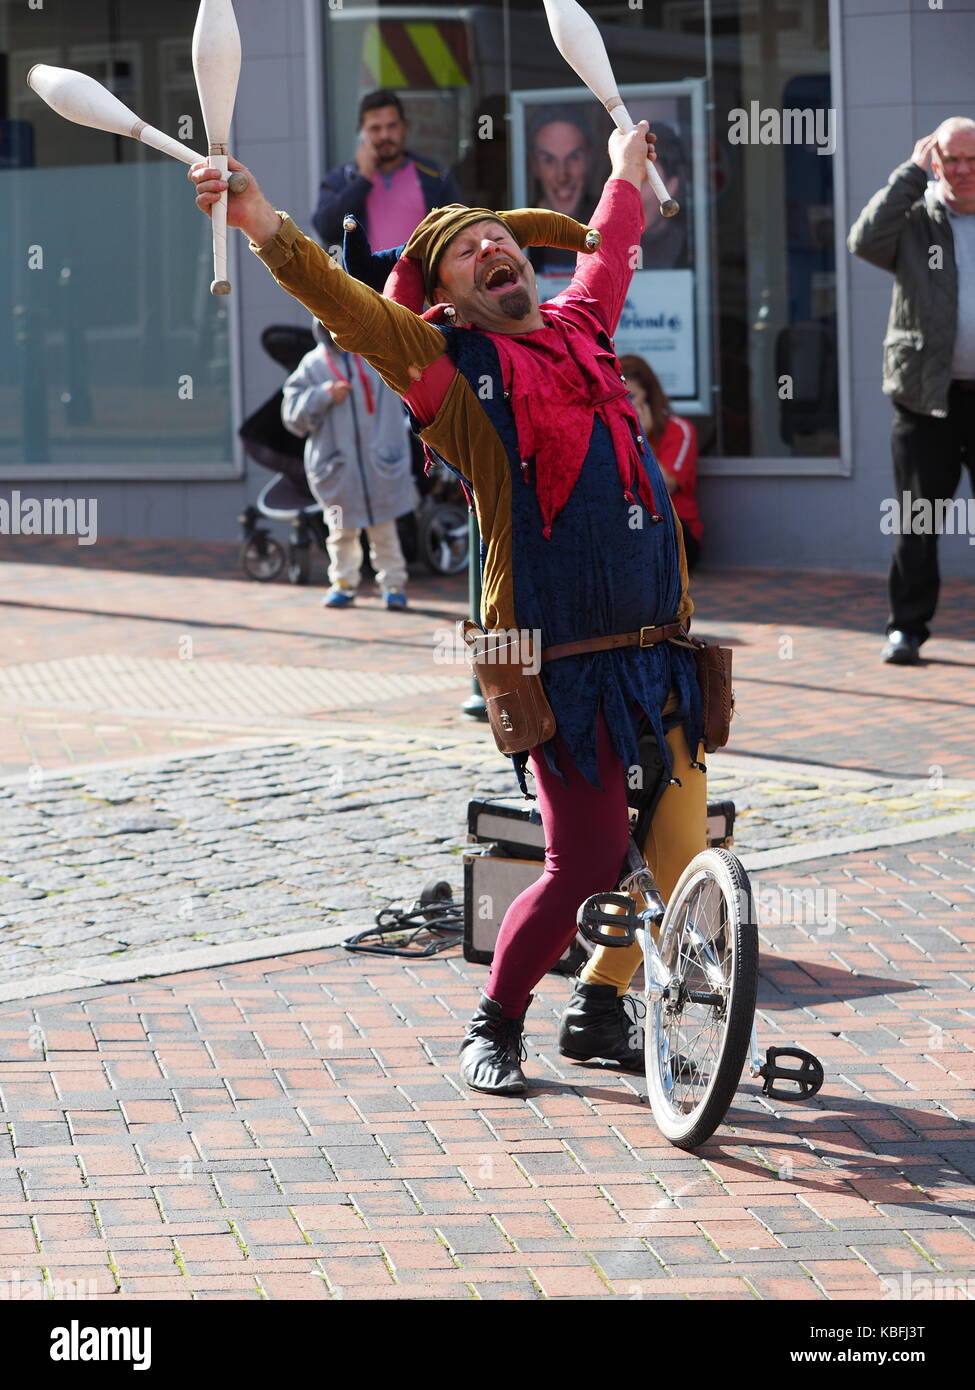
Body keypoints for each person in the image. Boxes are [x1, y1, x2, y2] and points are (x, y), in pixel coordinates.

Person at [189, 119, 707, 1098]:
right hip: (559, 661)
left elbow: (614, 245)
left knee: (683, 845)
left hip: (661, 647)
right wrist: (259, 218)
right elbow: (345, 303)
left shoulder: (582, 328)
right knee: (585, 857)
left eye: (497, 239)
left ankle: (600, 1008)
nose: (491, 250)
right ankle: (496, 1021)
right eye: (465, 252)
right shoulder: (452, 376)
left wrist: (624, 171)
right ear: (448, 295)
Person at [848, 116, 975, 665]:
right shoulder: (916, 216)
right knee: (918, 520)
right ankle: (907, 628)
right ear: (935, 157)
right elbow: (863, 239)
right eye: (953, 159)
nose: (964, 170)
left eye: (974, 160)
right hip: (927, 396)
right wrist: (909, 174)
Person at [281, 322, 416, 610]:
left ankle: (393, 585)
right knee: (341, 532)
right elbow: (291, 416)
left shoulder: (375, 356)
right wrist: (323, 395)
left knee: (384, 530)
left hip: (379, 464)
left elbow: (410, 385)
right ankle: (342, 584)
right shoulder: (313, 365)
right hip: (338, 469)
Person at [312, 89, 460, 251]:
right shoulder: (342, 179)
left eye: (392, 126)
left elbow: (458, 231)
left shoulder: (436, 176)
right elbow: (326, 230)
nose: (385, 135)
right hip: (361, 277)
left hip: (421, 276)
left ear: (405, 128)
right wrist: (363, 178)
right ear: (362, 135)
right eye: (375, 128)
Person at [620, 354, 703, 569]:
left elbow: (666, 485)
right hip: (631, 524)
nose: (626, 405)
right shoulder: (611, 433)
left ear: (648, 396)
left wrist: (642, 440)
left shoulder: (678, 429)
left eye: (631, 397)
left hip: (675, 530)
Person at [526, 106, 596, 274]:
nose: (562, 176)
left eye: (573, 157)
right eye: (548, 160)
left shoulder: (608, 226)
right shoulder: (521, 233)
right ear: (534, 165)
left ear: (589, 160)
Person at [635, 121, 689, 270]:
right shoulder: (607, 241)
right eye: (628, 177)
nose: (631, 191)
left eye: (644, 179)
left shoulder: (691, 248)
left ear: (671, 186)